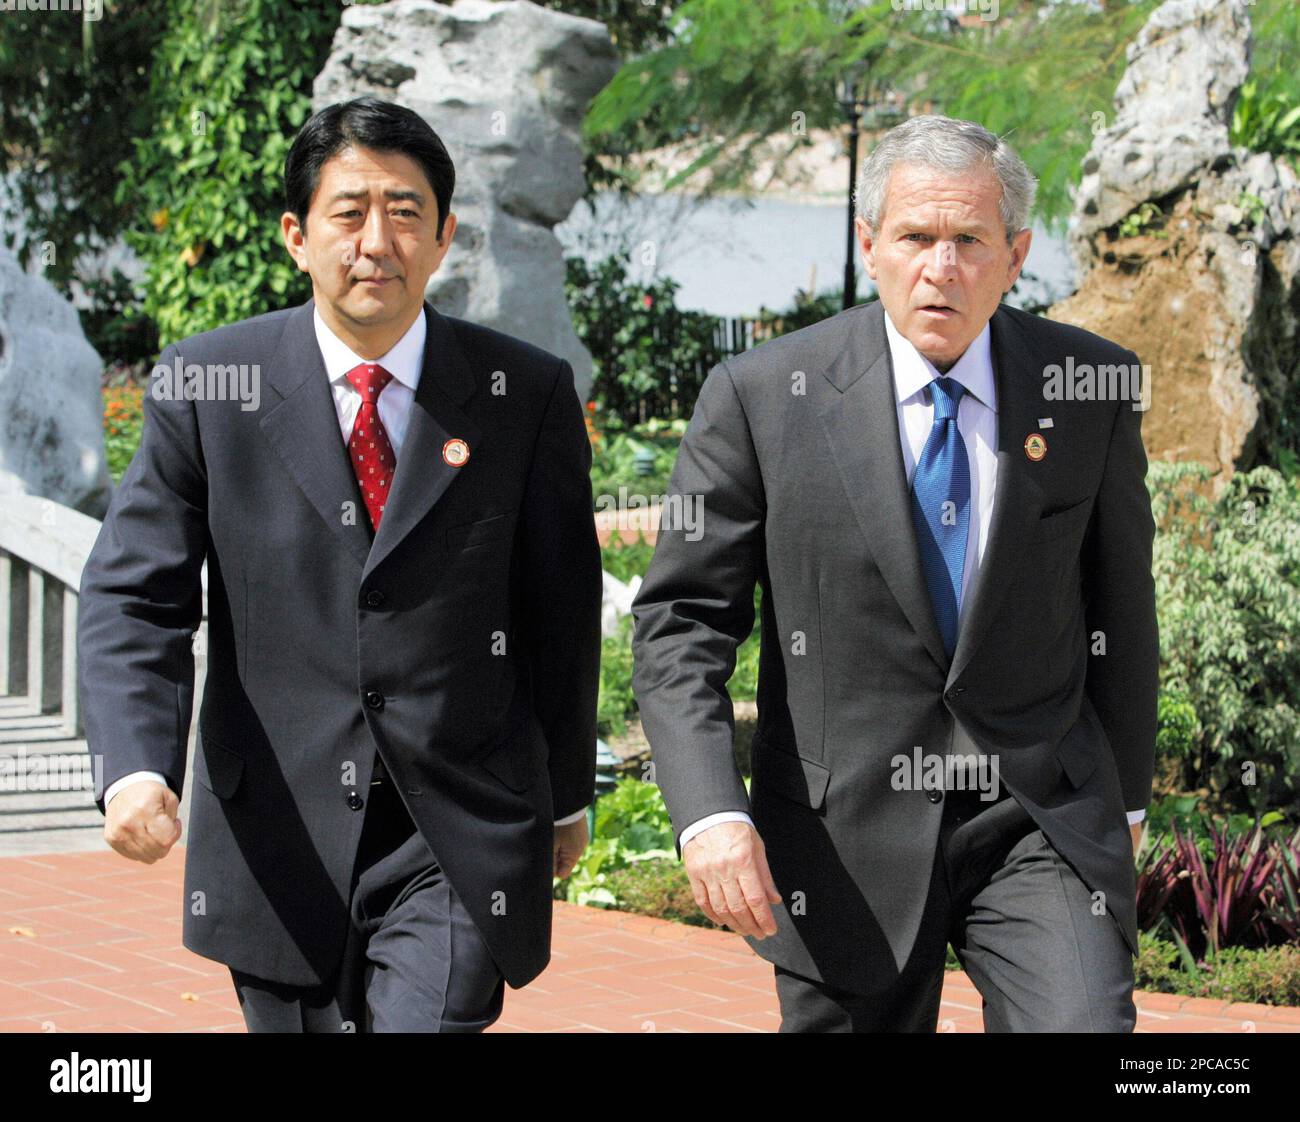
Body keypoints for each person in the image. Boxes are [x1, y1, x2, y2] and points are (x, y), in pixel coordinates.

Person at [77, 95, 601, 1032]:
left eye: (406, 214)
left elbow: (557, 605)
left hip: (457, 829)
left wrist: (565, 795)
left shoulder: (520, 393)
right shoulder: (208, 387)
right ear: (296, 235)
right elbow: (136, 593)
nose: (376, 242)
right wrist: (132, 766)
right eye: (348, 213)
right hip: (277, 833)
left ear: (443, 239)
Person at [631, 114, 1157, 1032]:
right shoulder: (762, 397)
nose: (940, 267)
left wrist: (1132, 797)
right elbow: (682, 620)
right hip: (843, 833)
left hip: (1037, 817)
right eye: (915, 238)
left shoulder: (1091, 389)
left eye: (969, 241)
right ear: (870, 245)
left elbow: (1122, 610)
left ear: (1015, 253)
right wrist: (710, 812)